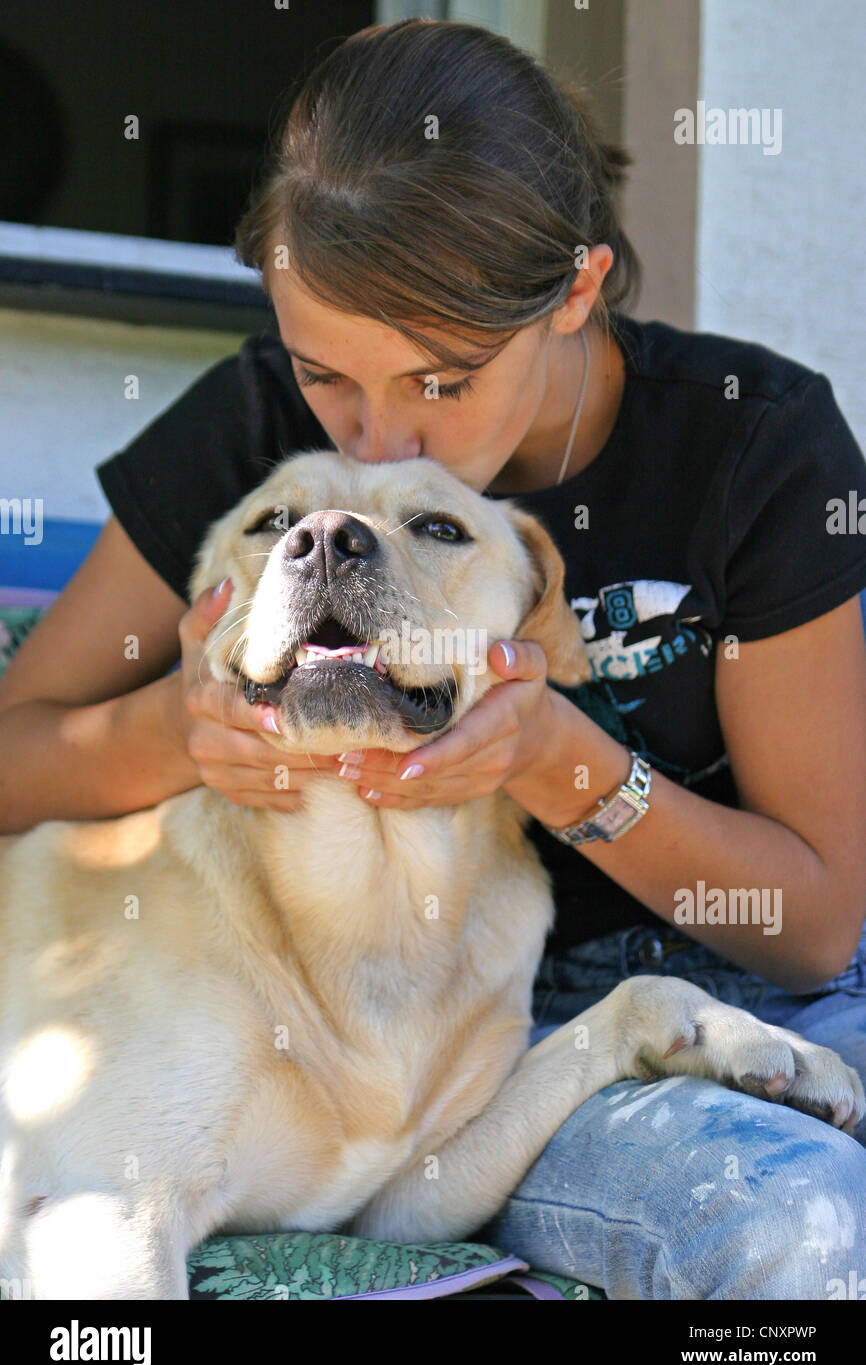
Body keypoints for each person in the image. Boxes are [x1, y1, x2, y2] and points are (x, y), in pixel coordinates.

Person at [2, 18, 866, 1299]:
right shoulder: (256, 430)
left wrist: (559, 764)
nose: (384, 439)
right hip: (431, 1010)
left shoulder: (758, 447)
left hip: (705, 986)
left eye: (443, 381)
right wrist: (170, 730)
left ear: (576, 289)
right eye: (324, 374)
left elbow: (810, 927)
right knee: (796, 1224)